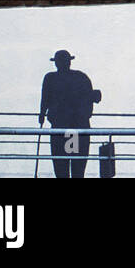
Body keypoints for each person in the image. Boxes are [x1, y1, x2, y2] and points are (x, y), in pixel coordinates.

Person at [38, 49, 100, 179]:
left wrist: (42, 115)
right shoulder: (80, 77)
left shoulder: (51, 78)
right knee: (76, 167)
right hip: (76, 128)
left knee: (61, 167)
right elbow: (90, 103)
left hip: (60, 129)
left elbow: (45, 100)